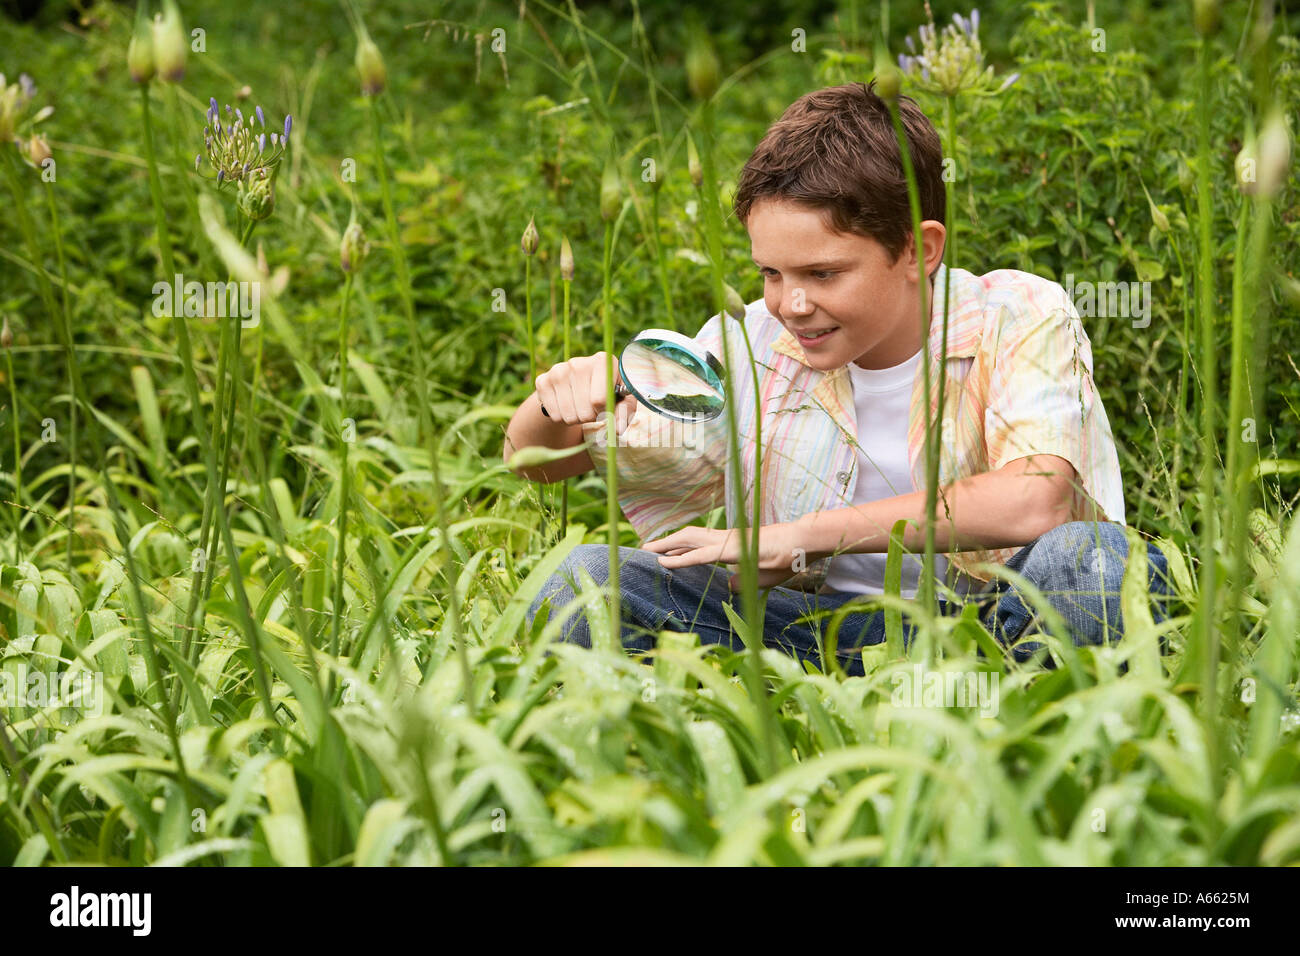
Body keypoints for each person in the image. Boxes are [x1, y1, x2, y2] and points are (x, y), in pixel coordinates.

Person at [503, 80, 1172, 675]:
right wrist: (558, 404)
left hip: (990, 626)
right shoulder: (749, 341)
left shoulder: (1019, 312)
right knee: (587, 578)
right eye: (771, 274)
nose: (791, 305)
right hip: (802, 638)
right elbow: (535, 464)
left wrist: (800, 537)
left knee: (1093, 560)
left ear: (918, 249)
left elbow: (1035, 502)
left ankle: (1041, 750)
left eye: (823, 274)